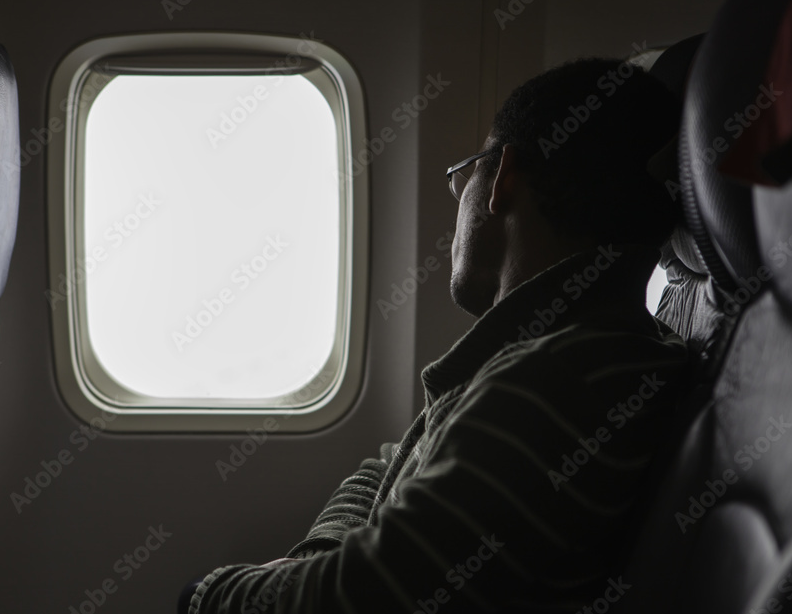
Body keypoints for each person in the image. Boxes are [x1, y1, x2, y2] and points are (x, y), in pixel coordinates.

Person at [186, 57, 689, 613]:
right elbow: (390, 462)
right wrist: (323, 550)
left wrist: (206, 595)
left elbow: (367, 596)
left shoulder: (559, 380)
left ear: (502, 177)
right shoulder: (568, 352)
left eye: (462, 178)